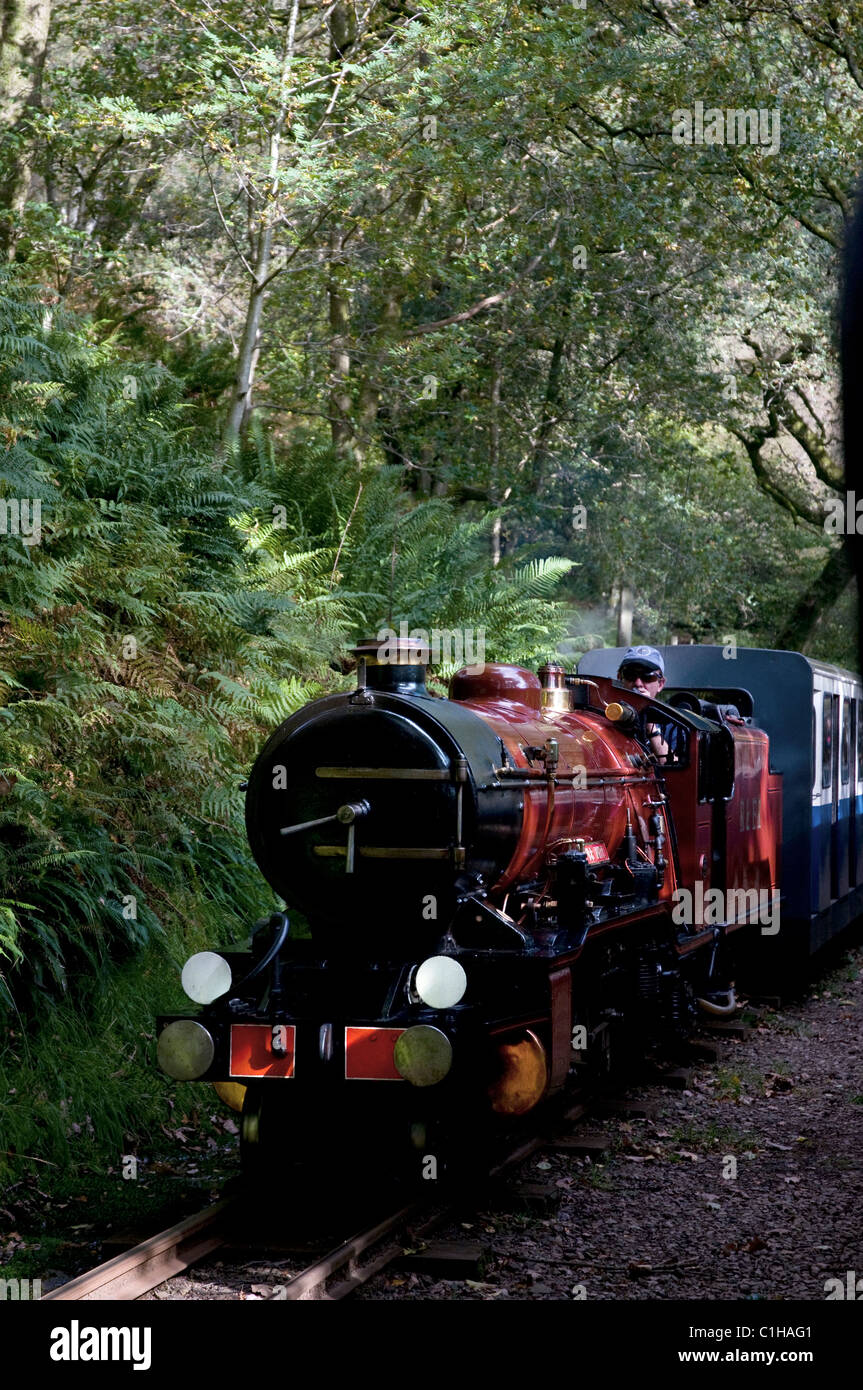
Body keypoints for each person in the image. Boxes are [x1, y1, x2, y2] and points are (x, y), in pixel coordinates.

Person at [616, 645, 669, 762]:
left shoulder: (672, 722)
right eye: (630, 675)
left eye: (647, 677)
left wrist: (649, 722)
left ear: (660, 684)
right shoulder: (608, 716)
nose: (638, 683)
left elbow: (673, 767)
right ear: (620, 678)